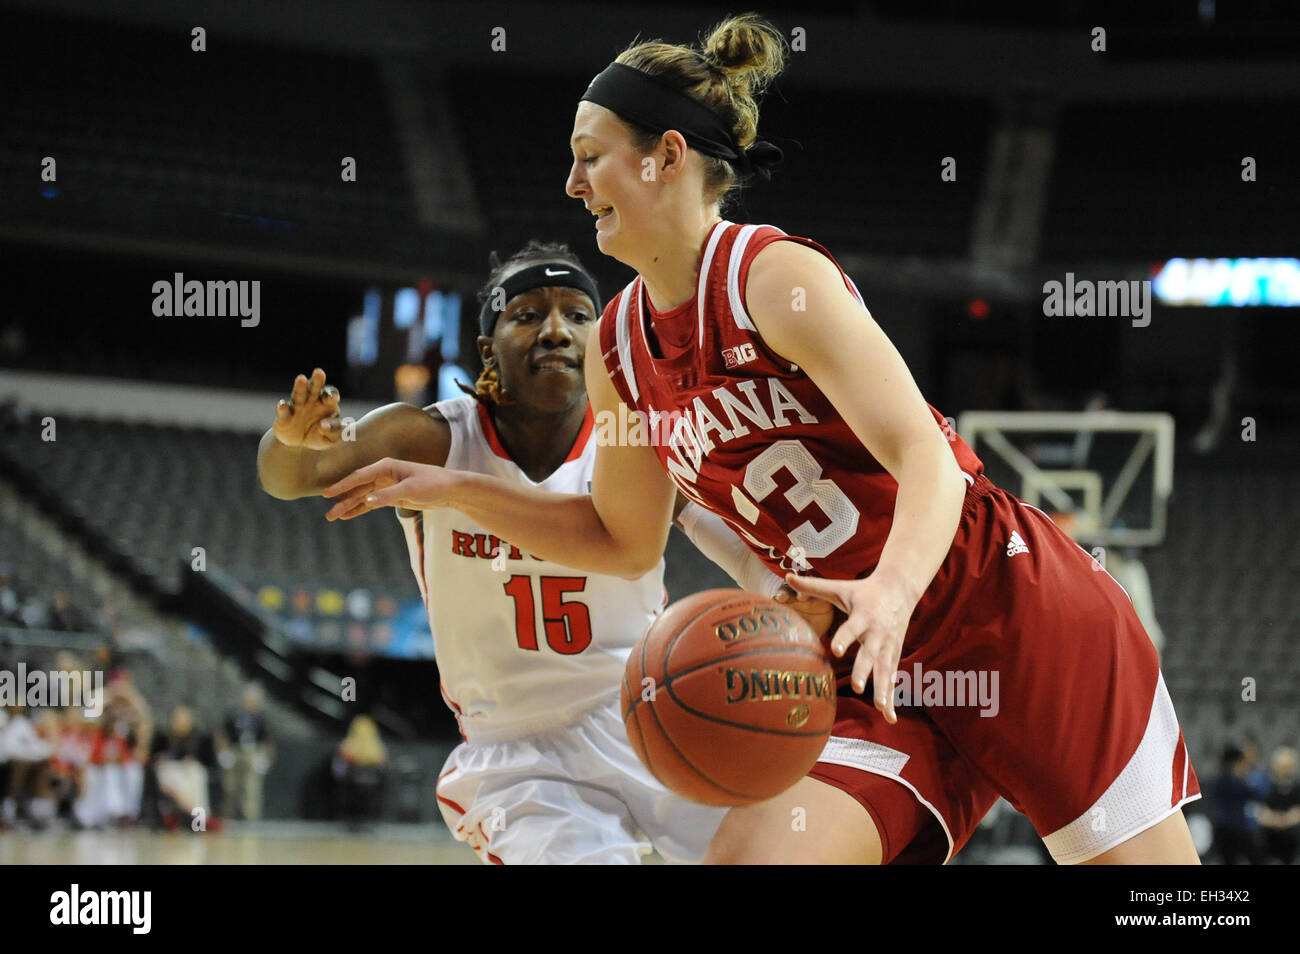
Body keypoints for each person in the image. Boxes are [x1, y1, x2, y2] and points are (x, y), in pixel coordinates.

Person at [322, 14, 1201, 865]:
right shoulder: (619, 348)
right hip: (859, 667)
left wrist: (890, 596)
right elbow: (621, 540)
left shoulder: (774, 280)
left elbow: (928, 458)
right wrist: (447, 489)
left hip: (1008, 617)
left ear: (666, 157)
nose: (573, 184)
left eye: (590, 158)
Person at [259, 240, 833, 864]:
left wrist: (779, 590)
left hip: (657, 711)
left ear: (602, 341)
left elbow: (721, 533)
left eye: (578, 315)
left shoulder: (635, 441)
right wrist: (290, 440)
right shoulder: (429, 438)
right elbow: (291, 476)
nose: (556, 330)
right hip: (520, 752)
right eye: (528, 314)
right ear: (488, 347)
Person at [216, 683, 273, 822]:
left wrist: (265, 757)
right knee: (229, 786)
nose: (250, 703)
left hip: (252, 752)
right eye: (248, 700)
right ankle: (227, 817)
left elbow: (268, 740)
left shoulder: (261, 719)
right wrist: (222, 752)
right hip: (234, 751)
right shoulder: (234, 715)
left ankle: (251, 819)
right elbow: (222, 735)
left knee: (251, 788)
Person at [1258, 746, 1300, 864]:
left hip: (1292, 837)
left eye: (1288, 766)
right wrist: (1275, 820)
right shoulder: (1266, 787)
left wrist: (1286, 820)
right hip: (1270, 836)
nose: (1285, 769)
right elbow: (1261, 811)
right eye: (1282, 766)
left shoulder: (1297, 788)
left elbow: (1297, 812)